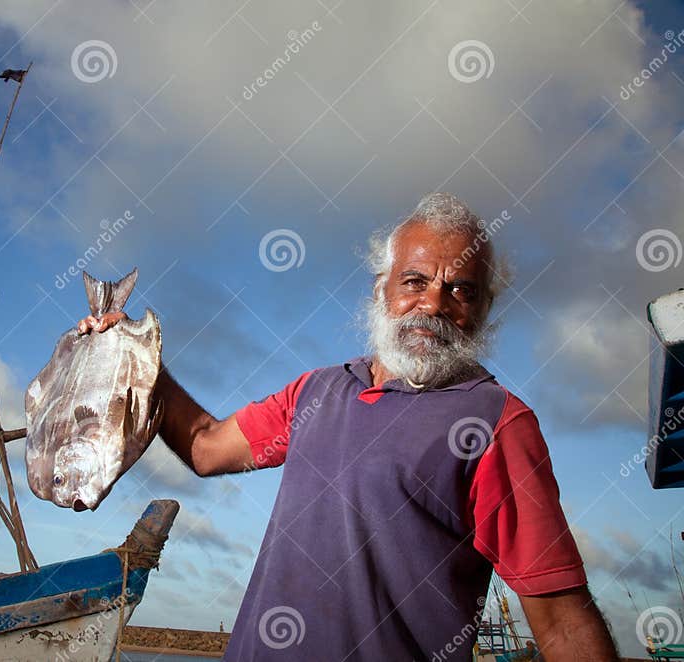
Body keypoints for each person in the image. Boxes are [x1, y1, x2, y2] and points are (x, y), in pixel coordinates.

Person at [77, 193, 619, 661]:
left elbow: (563, 621)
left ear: (485, 308)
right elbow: (205, 447)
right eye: (415, 281)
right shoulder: (317, 390)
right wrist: (135, 351)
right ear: (382, 289)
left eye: (462, 290)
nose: (433, 303)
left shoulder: (497, 422)